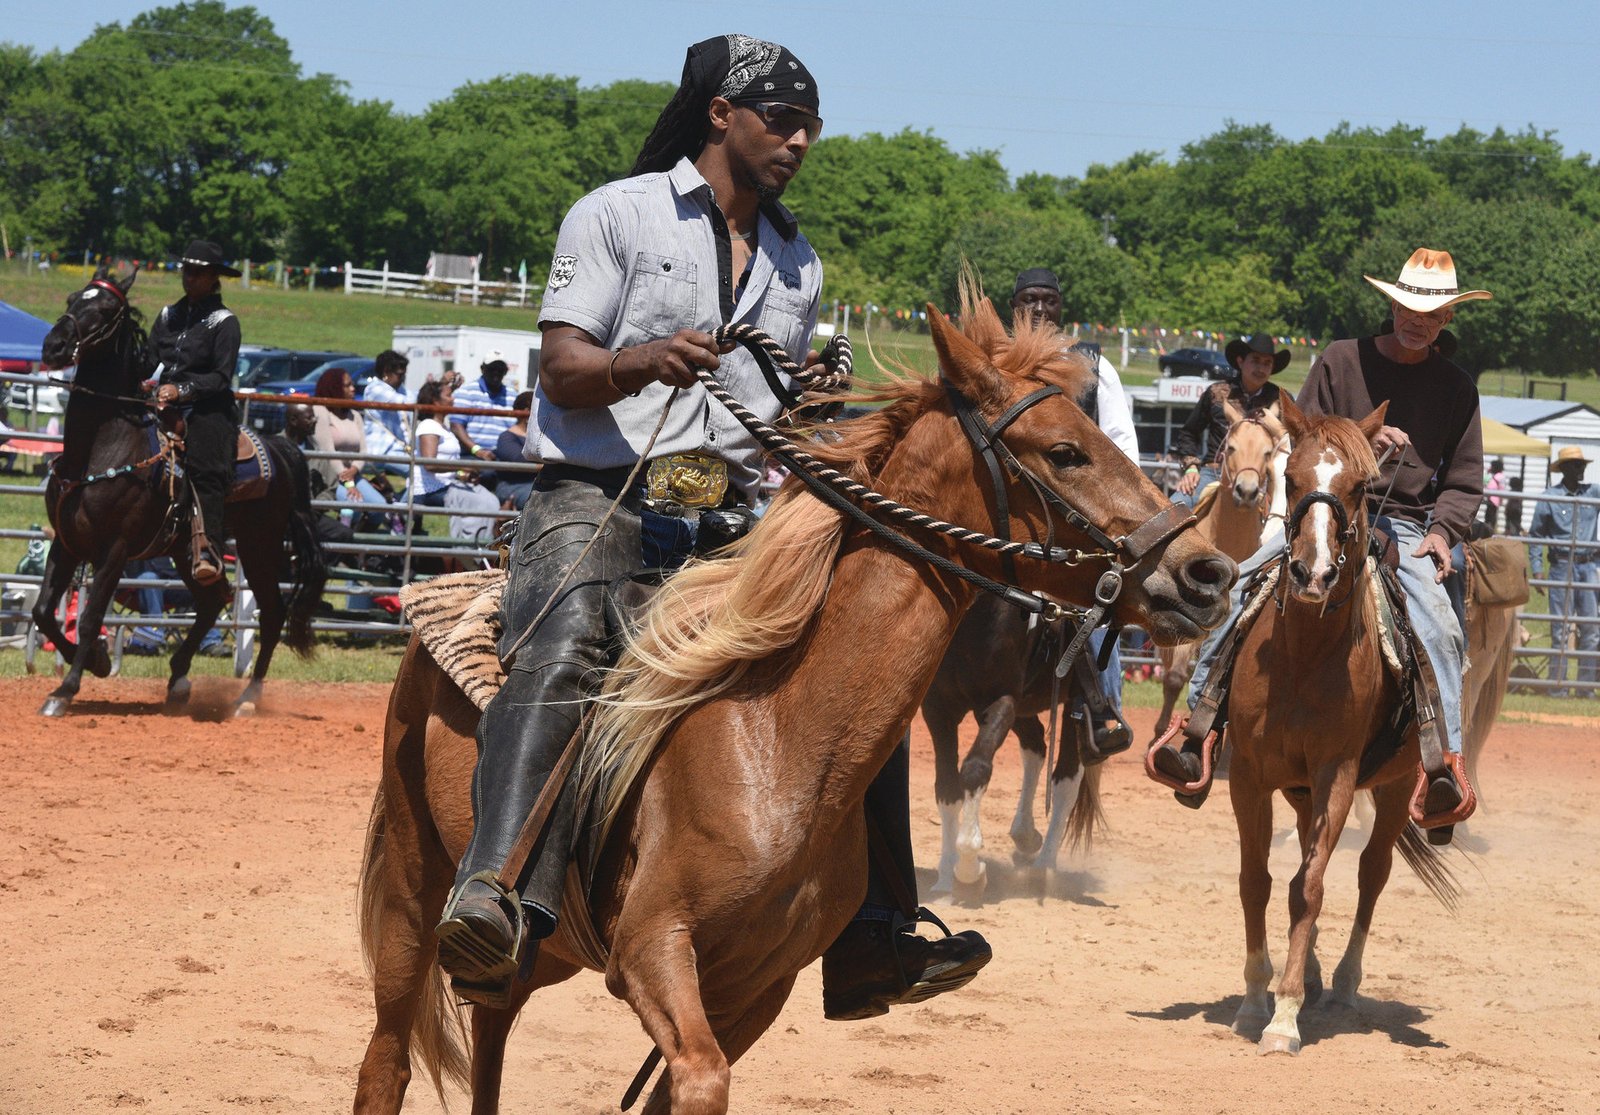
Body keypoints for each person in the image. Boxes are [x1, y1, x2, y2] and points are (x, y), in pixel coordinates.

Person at [434, 34, 990, 1020]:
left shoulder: (795, 261)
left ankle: (872, 934)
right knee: (568, 637)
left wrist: (818, 401)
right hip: (593, 482)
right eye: (781, 116)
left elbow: (771, 414)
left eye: (811, 123)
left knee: (858, 677)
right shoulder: (616, 216)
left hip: (712, 491)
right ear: (719, 115)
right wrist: (645, 357)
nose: (801, 138)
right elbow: (562, 367)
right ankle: (494, 892)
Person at [1161, 247, 1491, 835]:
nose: (1418, 320)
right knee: (1240, 589)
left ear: (1447, 320)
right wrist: (1357, 443)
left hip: (1409, 524)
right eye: (1408, 307)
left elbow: (1465, 480)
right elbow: (1301, 433)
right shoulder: (1341, 361)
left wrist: (1443, 533)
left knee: (1439, 625)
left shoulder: (1457, 388)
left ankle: (1441, 768)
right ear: (1391, 303)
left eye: (1431, 313)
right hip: (1322, 511)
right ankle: (1198, 729)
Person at [1012, 267, 1137, 734]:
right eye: (1029, 299)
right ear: (1014, 307)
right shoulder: (999, 361)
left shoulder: (1094, 365)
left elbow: (1122, 448)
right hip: (1012, 512)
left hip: (1079, 516)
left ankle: (1100, 709)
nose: (1040, 308)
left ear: (1061, 307)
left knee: (1104, 599)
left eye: (1048, 299)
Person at [150, 239, 242, 585]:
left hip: (208, 408)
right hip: (162, 403)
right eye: (186, 270)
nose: (189, 277)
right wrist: (145, 383)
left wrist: (181, 390)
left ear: (213, 277)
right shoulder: (167, 316)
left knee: (205, 466)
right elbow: (149, 360)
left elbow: (221, 377)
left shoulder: (224, 322)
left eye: (197, 272)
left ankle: (208, 550)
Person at [1168, 333, 1288, 507]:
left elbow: (1292, 442)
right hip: (1214, 472)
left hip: (1263, 477)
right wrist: (1192, 467)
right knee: (1173, 509)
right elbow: (1189, 433)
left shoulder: (1281, 399)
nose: (1261, 368)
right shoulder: (1216, 392)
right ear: (1240, 361)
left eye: (1267, 363)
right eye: (1255, 360)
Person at [1528, 447, 1599, 695]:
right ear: (1565, 468)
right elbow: (1536, 535)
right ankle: (1557, 688)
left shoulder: (1594, 493)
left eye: (1582, 465)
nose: (1581, 470)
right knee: (1561, 629)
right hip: (1560, 565)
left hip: (1588, 565)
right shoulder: (1550, 497)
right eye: (1576, 465)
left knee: (1591, 629)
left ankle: (1585, 688)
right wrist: (1537, 569)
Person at [410, 378, 502, 545]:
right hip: (431, 490)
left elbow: (446, 463)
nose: (453, 399)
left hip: (447, 484)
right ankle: (468, 549)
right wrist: (463, 466)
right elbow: (429, 464)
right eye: (448, 395)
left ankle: (476, 546)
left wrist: (462, 474)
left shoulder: (442, 427)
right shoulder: (428, 426)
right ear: (435, 401)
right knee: (482, 502)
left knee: (491, 500)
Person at [309, 367, 390, 531]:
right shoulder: (321, 412)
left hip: (352, 474)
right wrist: (348, 483)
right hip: (331, 476)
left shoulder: (355, 415)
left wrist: (354, 469)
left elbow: (363, 450)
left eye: (352, 385)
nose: (353, 389)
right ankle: (343, 544)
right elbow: (327, 450)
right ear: (334, 388)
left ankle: (358, 540)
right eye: (347, 386)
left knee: (380, 507)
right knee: (353, 505)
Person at [449, 351, 516, 464]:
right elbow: (456, 426)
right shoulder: (466, 392)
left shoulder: (513, 396)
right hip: (472, 455)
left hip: (504, 456)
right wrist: (477, 450)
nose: (496, 372)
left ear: (505, 372)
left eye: (500, 369)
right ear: (482, 368)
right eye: (492, 368)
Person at [359, 349, 412, 481]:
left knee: (421, 473)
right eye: (400, 375)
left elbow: (414, 398)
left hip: (397, 450)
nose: (403, 379)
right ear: (386, 372)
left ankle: (399, 500)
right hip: (380, 450)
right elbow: (404, 402)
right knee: (417, 474)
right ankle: (402, 502)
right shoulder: (374, 389)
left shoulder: (399, 389)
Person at [484, 390, 536, 510]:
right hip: (512, 486)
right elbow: (519, 459)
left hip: (535, 484)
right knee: (541, 501)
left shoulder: (540, 437)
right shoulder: (506, 437)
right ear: (526, 411)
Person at [1483, 457, 1508, 532]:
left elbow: (1502, 488)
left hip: (1494, 500)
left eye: (1492, 466)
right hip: (1490, 499)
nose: (1490, 467)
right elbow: (1484, 481)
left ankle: (1489, 531)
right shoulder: (1493, 475)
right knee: (1488, 516)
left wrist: (1501, 499)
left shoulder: (1500, 476)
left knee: (1490, 517)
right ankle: (1488, 531)